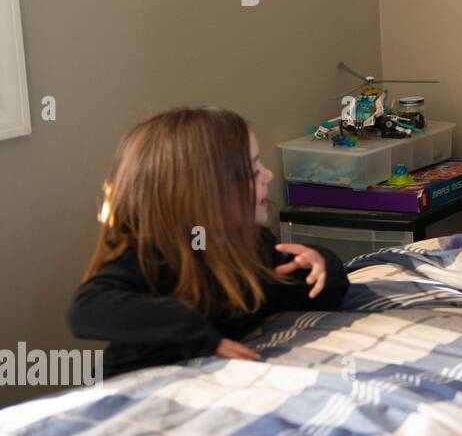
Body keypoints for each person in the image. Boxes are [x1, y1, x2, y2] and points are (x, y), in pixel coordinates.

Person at [69, 107, 349, 378]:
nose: (268, 175)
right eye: (253, 171)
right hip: (137, 389)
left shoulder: (254, 244)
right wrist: (197, 335)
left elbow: (313, 295)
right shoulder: (152, 255)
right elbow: (87, 310)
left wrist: (322, 264)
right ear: (203, 193)